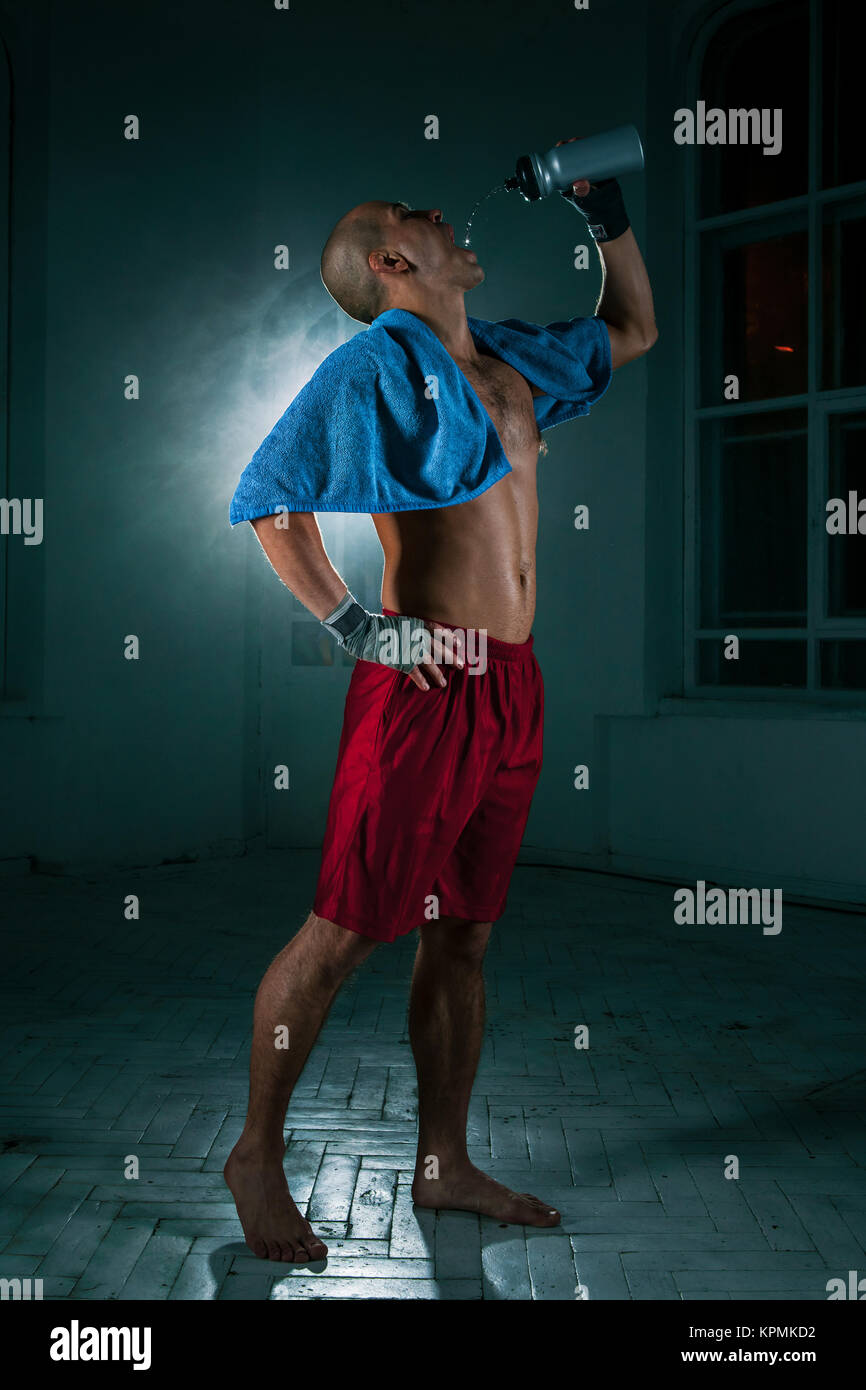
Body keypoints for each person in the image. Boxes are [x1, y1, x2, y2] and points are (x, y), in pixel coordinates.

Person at [225, 146, 658, 1262]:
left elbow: (633, 331)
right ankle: (255, 1154)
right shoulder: (375, 364)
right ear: (390, 260)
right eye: (407, 213)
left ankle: (442, 1164)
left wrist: (604, 218)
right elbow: (271, 499)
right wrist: (358, 628)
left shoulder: (509, 362)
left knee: (460, 934)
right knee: (343, 932)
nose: (435, 210)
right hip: (423, 687)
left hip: (512, 685)